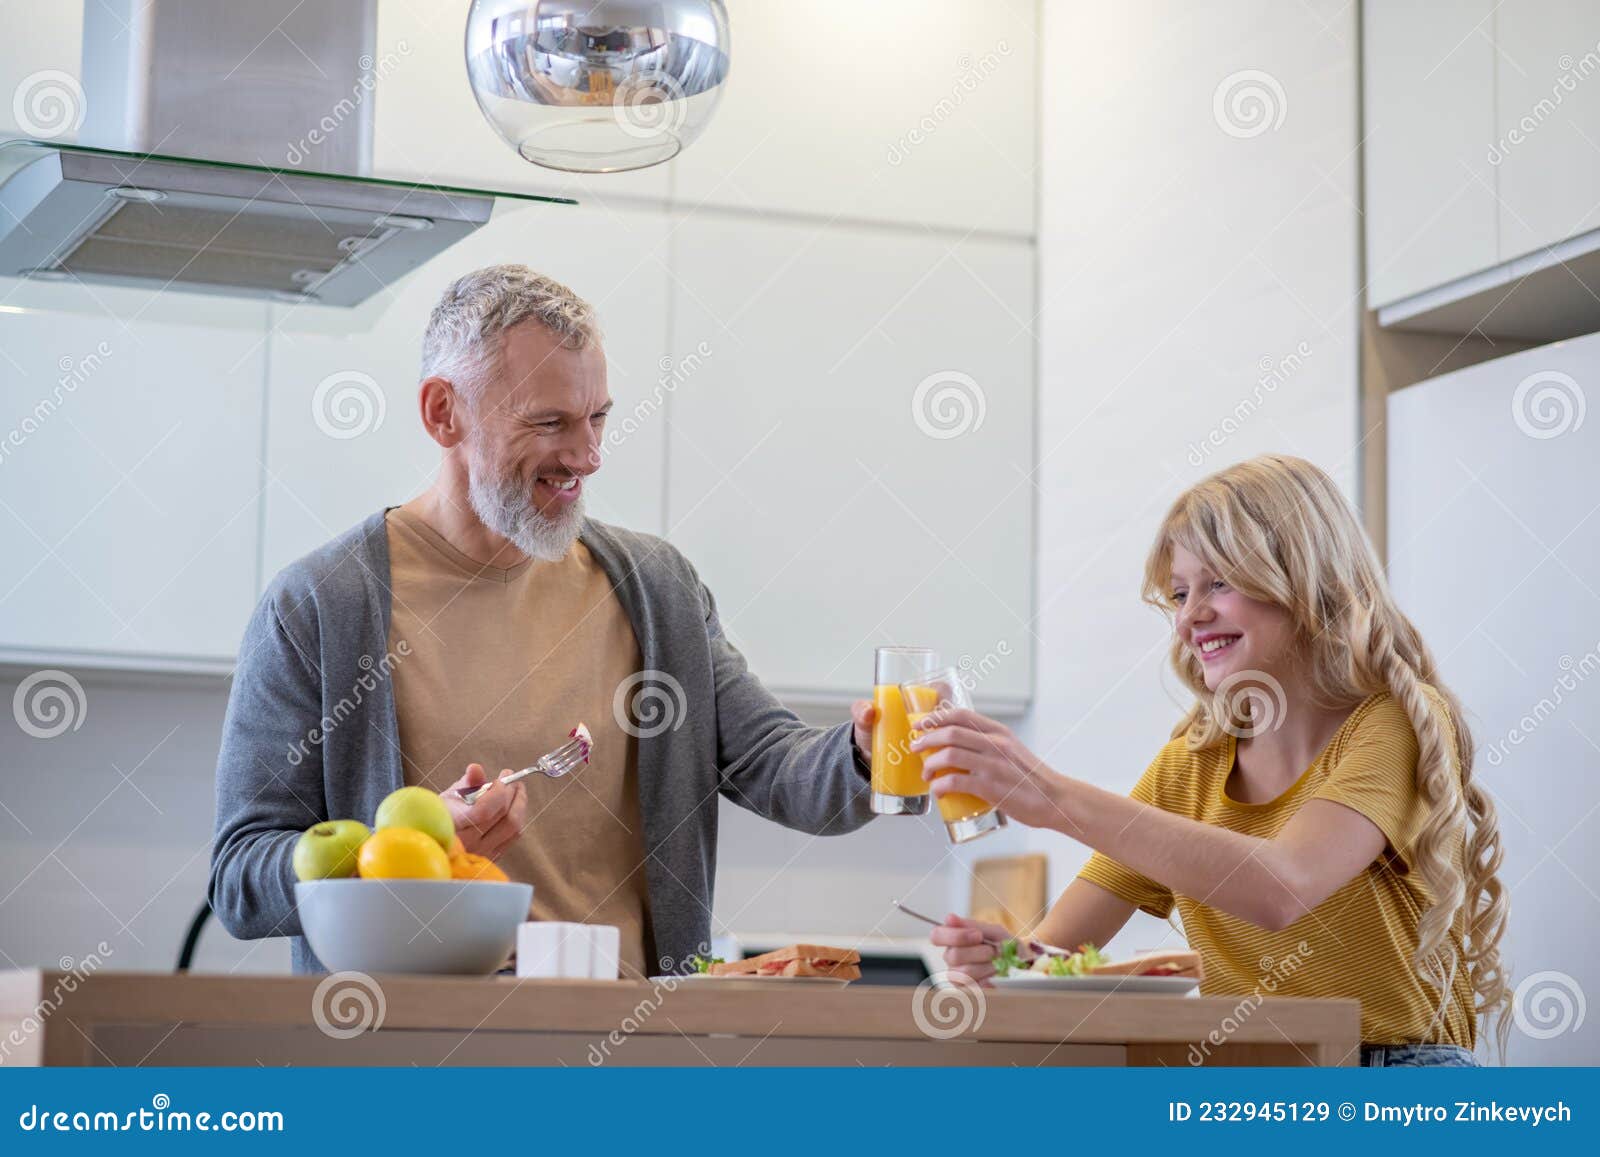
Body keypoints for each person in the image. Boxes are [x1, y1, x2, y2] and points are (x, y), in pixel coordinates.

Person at [209, 264, 879, 978]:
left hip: (631, 1058)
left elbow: (778, 765)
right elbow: (242, 881)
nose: (586, 456)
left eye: (597, 418)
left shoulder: (657, 590)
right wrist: (399, 852)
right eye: (549, 422)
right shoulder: (321, 606)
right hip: (415, 1062)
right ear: (443, 413)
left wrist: (873, 755)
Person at [920, 455, 1509, 1066]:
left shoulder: (1392, 723)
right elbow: (1059, 951)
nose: (1189, 616)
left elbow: (1284, 886)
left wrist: (1053, 797)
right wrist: (1012, 960)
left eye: (1219, 583)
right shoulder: (1190, 765)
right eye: (1180, 593)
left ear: (1306, 582)